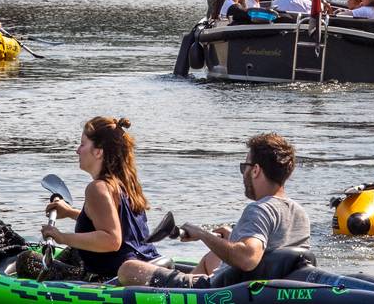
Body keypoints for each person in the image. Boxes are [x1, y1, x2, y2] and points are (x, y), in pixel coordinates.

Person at [118, 133, 309, 288]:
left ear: (256, 170)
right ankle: (181, 287)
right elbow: (271, 254)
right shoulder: (299, 212)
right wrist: (231, 237)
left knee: (128, 269)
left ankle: (183, 292)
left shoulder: (260, 209)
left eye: (245, 167)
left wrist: (202, 234)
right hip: (264, 283)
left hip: (226, 289)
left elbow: (247, 259)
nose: (243, 173)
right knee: (212, 257)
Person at [40, 117, 161, 280]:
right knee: (73, 252)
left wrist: (61, 237)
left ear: (98, 151)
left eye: (82, 144)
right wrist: (70, 212)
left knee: (26, 260)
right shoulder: (126, 184)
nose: (77, 150)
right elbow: (116, 225)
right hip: (148, 264)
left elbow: (112, 240)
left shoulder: (97, 188)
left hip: (117, 279)